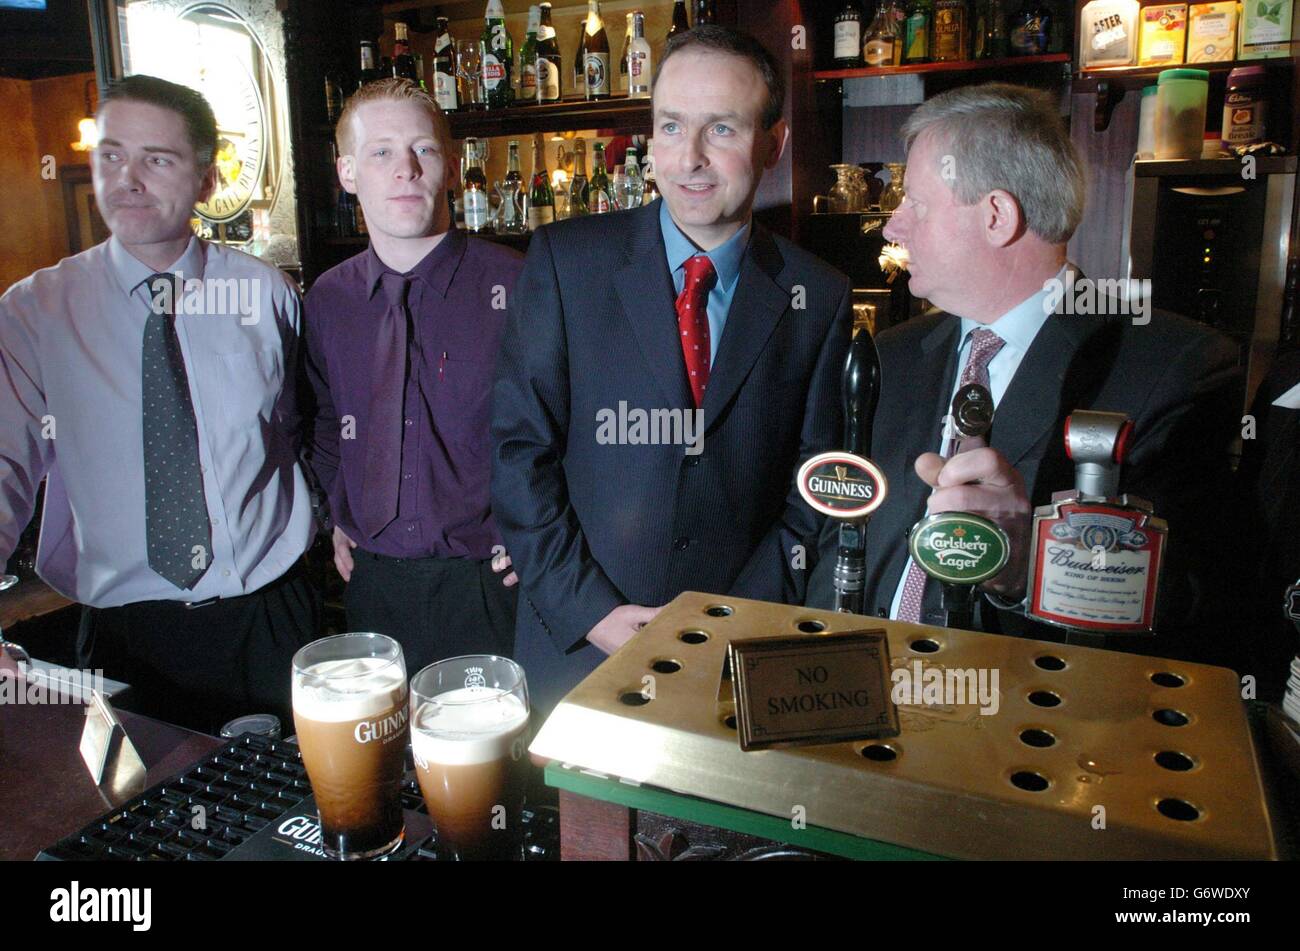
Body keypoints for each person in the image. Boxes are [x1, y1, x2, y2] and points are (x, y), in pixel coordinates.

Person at [807, 83, 1241, 662]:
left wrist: (1022, 565)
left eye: (915, 203)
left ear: (996, 216)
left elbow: (1192, 601)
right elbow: (842, 540)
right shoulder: (894, 354)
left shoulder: (1173, 365)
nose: (892, 228)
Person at [491, 25, 853, 716]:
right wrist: (591, 611)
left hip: (739, 659)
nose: (689, 158)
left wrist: (732, 621)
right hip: (577, 649)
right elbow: (518, 454)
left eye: (721, 128)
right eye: (670, 126)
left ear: (773, 144)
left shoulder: (820, 295)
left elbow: (816, 488)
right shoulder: (567, 264)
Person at [0, 75, 317, 733]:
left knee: (289, 820)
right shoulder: (35, 311)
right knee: (138, 828)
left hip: (267, 619)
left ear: (206, 179)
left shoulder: (266, 296)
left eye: (158, 158)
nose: (128, 178)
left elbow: (301, 428)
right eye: (112, 154)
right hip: (121, 636)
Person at [302, 79, 523, 675]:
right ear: (347, 172)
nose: (404, 169)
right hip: (372, 583)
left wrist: (538, 533)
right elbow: (323, 420)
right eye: (381, 152)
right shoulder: (328, 298)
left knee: (500, 767)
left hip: (495, 584)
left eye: (422, 150)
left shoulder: (519, 285)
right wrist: (337, 516)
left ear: (450, 167)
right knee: (381, 765)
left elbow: (569, 423)